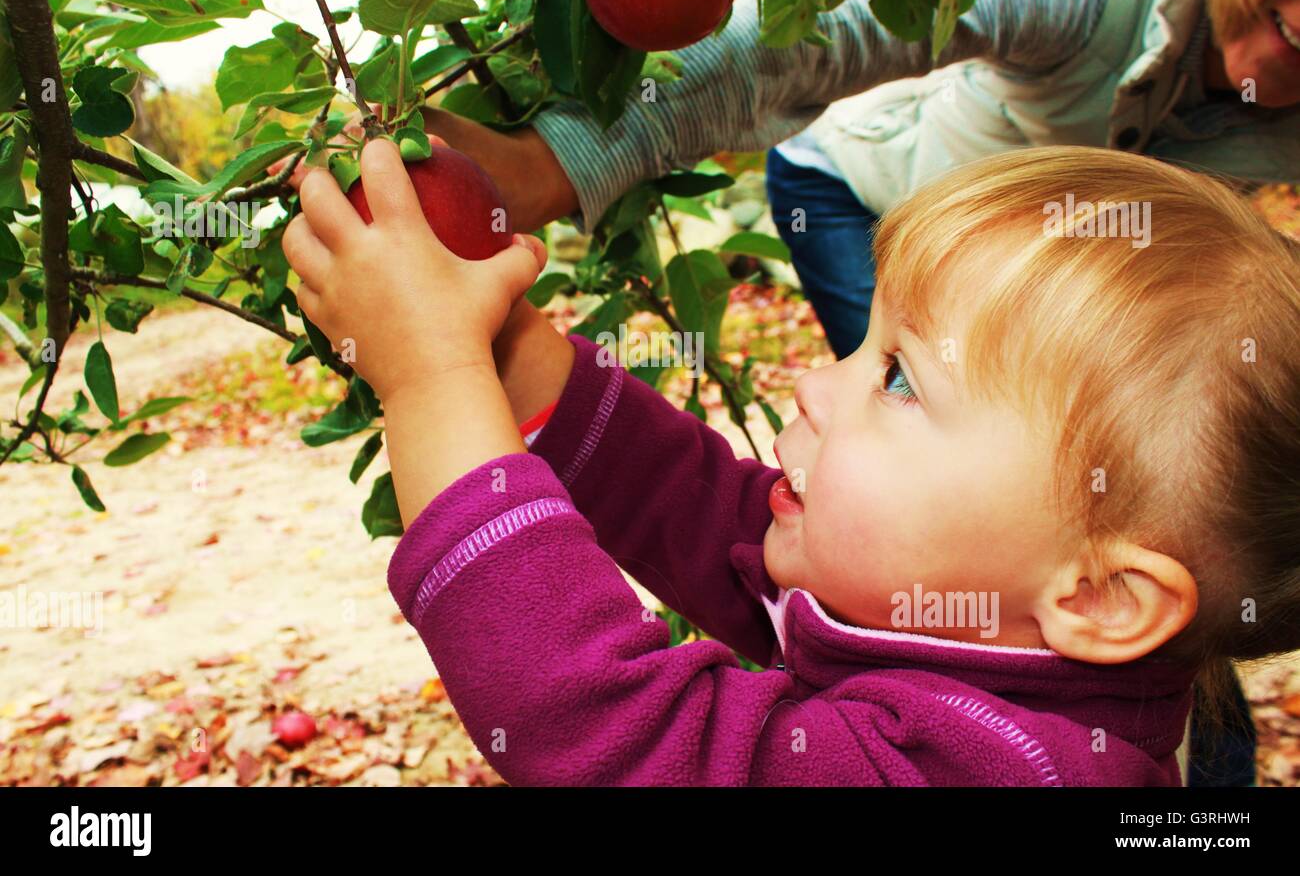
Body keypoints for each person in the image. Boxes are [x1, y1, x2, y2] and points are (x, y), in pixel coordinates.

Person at [282, 141, 1300, 785]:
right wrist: (512, 349)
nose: (816, 383)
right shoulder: (950, 601)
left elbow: (611, 734)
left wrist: (430, 380)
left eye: (898, 378)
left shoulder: (999, 770)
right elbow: (703, 517)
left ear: (1103, 596)